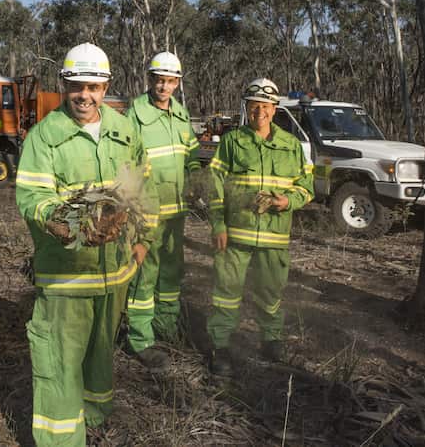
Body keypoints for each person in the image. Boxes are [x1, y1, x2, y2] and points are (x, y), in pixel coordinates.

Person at [15, 42, 159, 446]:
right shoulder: (45, 137)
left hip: (114, 274)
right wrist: (61, 223)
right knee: (59, 363)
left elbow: (143, 186)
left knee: (100, 354)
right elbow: (32, 197)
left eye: (93, 87)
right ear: (64, 85)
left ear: (105, 87)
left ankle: (94, 418)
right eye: (77, 86)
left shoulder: (124, 130)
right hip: (66, 276)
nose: (85, 95)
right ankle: (62, 439)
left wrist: (144, 238)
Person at [206, 78, 314, 378]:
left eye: (266, 106)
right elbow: (215, 183)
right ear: (247, 108)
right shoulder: (232, 141)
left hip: (274, 236)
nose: (260, 112)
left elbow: (306, 186)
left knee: (271, 291)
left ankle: (271, 340)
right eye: (254, 106)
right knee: (226, 292)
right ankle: (220, 346)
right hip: (235, 234)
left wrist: (288, 201)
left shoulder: (291, 145)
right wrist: (218, 223)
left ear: (275, 108)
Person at [124, 52, 200, 371]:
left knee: (171, 273)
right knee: (144, 275)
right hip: (146, 215)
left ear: (177, 83)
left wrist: (195, 176)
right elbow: (125, 163)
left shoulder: (181, 115)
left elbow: (191, 154)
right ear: (150, 79)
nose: (164, 86)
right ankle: (140, 340)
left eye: (170, 81)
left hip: (176, 213)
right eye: (159, 80)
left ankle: (166, 329)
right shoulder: (135, 114)